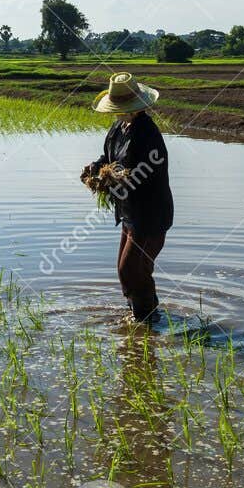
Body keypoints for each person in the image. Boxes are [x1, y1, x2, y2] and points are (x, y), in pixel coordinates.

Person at [82, 73, 174, 323]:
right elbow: (108, 158)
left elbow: (141, 174)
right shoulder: (119, 127)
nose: (118, 112)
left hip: (150, 213)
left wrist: (111, 179)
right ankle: (144, 318)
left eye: (121, 108)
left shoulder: (147, 133)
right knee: (130, 273)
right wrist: (95, 168)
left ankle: (147, 324)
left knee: (131, 271)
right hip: (130, 212)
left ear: (136, 107)